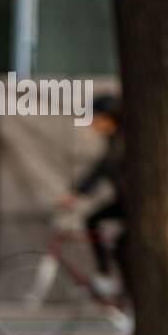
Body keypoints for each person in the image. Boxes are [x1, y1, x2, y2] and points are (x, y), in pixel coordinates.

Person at [59, 93, 130, 304]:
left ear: (110, 118)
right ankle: (106, 276)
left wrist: (77, 192)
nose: (92, 124)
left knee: (123, 247)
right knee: (93, 221)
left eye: (96, 118)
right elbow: (101, 169)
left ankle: (128, 296)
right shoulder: (115, 140)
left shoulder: (125, 141)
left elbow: (103, 168)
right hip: (125, 203)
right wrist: (77, 192)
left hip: (134, 206)